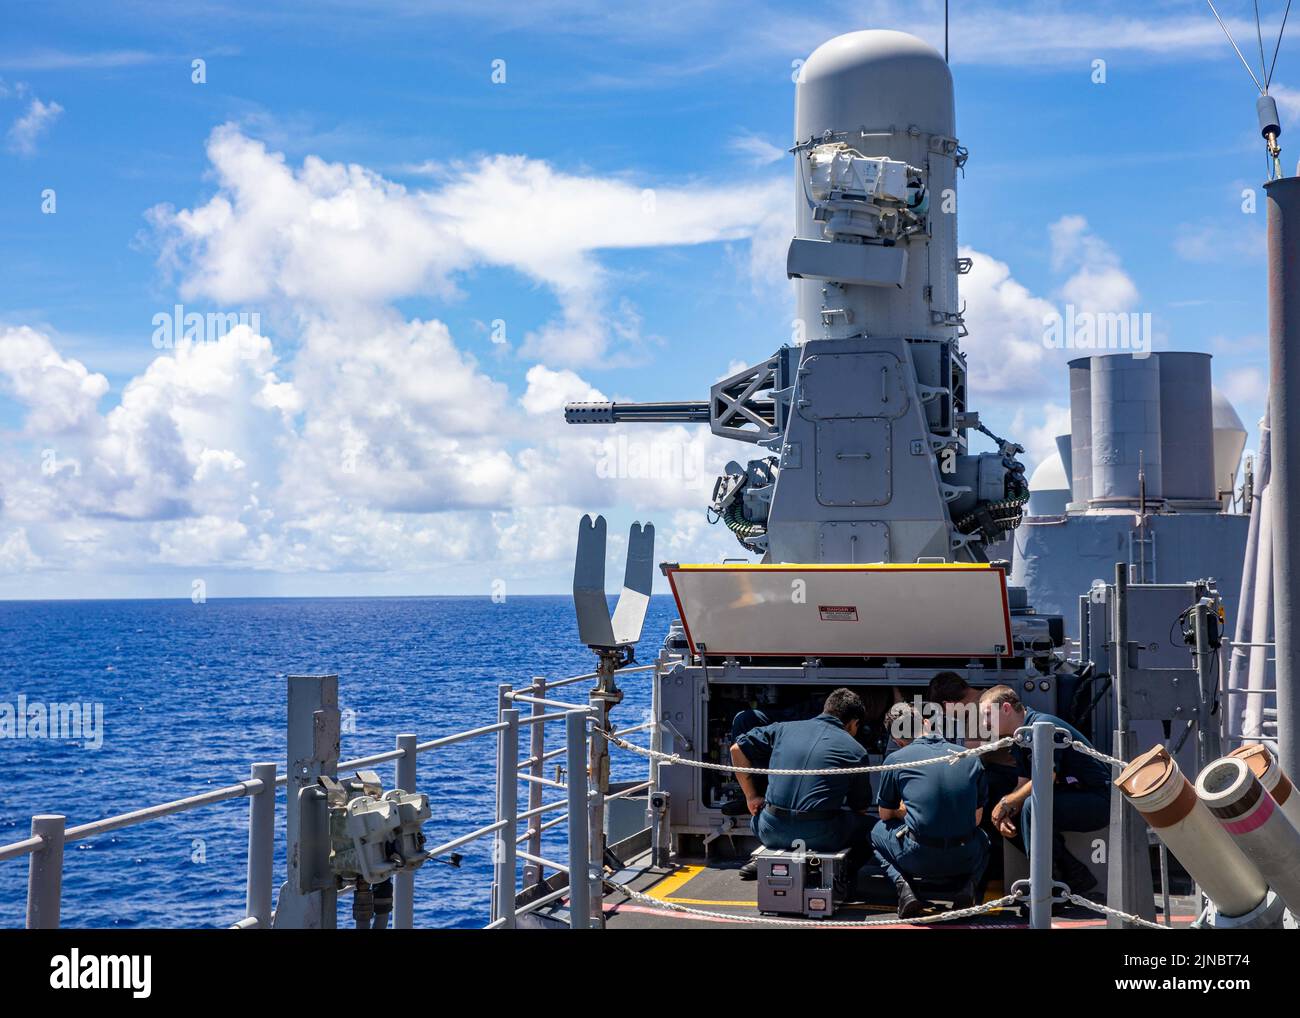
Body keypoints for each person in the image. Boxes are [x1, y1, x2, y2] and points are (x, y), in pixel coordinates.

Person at [729, 688, 873, 879]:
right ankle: (841, 874)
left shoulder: (783, 728)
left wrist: (751, 796)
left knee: (772, 816)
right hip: (822, 837)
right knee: (874, 829)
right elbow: (860, 808)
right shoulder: (857, 751)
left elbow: (736, 749)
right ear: (854, 723)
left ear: (826, 709)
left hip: (769, 830)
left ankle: (769, 859)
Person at [979, 685, 1109, 893]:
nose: (985, 724)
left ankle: (1045, 887)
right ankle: (1072, 874)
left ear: (1005, 708)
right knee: (1015, 810)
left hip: (1098, 800)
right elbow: (1023, 784)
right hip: (1073, 794)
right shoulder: (1021, 736)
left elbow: (1046, 778)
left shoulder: (1042, 726)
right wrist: (1005, 812)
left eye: (987, 715)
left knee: (1031, 806)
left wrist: (1006, 802)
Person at [871, 702, 989, 917]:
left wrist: (904, 812)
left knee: (876, 831)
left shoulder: (895, 760)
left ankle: (905, 890)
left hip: (917, 858)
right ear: (927, 723)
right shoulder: (971, 757)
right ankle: (967, 889)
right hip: (964, 856)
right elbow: (976, 820)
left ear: (897, 741)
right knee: (984, 839)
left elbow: (885, 815)